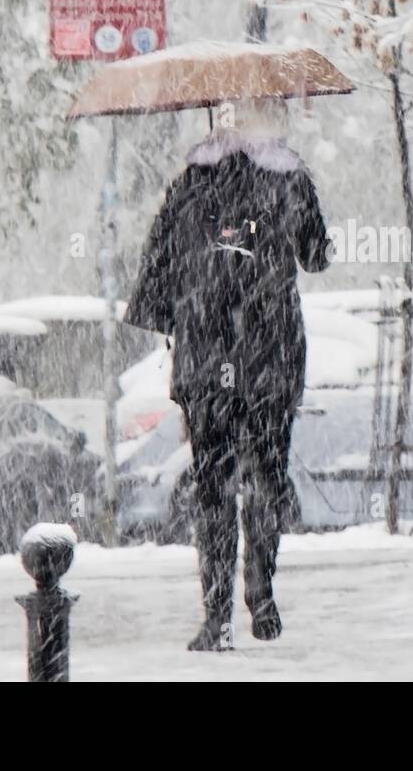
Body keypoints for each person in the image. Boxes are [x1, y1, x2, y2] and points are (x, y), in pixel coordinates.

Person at [125, 97, 330, 651]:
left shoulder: (190, 184)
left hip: (207, 357)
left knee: (212, 486)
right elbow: (316, 257)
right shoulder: (290, 179)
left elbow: (157, 270)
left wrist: (180, 311)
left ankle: (215, 617)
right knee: (267, 474)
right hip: (271, 358)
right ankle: (261, 593)